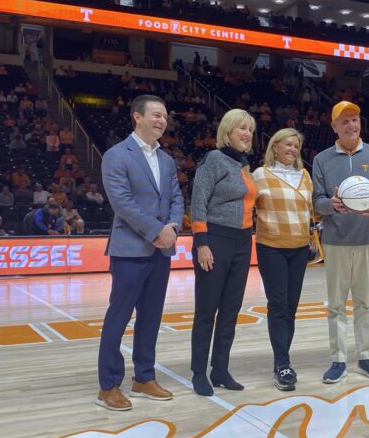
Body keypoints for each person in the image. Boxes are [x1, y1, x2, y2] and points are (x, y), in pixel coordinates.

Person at [97, 94, 184, 411]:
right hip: (130, 250)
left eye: (165, 116)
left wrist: (172, 228)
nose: (162, 121)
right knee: (118, 317)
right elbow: (122, 203)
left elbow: (176, 197)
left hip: (162, 249)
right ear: (137, 116)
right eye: (156, 115)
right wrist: (156, 230)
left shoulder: (167, 160)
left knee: (151, 317)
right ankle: (108, 386)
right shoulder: (116, 155)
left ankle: (143, 377)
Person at [312, 100, 369, 384]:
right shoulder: (322, 159)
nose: (352, 125)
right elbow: (317, 202)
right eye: (345, 121)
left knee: (365, 302)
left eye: (355, 119)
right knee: (336, 303)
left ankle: (366, 356)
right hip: (336, 241)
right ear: (334, 126)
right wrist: (332, 205)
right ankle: (338, 359)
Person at [190, 108, 257, 396]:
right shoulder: (214, 159)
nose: (246, 134)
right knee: (207, 311)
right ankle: (198, 373)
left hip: (243, 241)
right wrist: (201, 243)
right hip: (214, 241)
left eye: (250, 130)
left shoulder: (244, 165)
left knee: (230, 311)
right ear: (227, 131)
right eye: (241, 128)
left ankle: (220, 369)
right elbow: (198, 201)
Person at [251, 128, 314, 391]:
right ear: (274, 147)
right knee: (278, 305)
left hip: (299, 248)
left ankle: (281, 360)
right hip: (271, 247)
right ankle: (283, 363)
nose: (292, 149)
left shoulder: (305, 175)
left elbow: (310, 211)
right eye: (287, 144)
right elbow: (246, 208)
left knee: (291, 307)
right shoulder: (260, 175)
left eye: (296, 145)